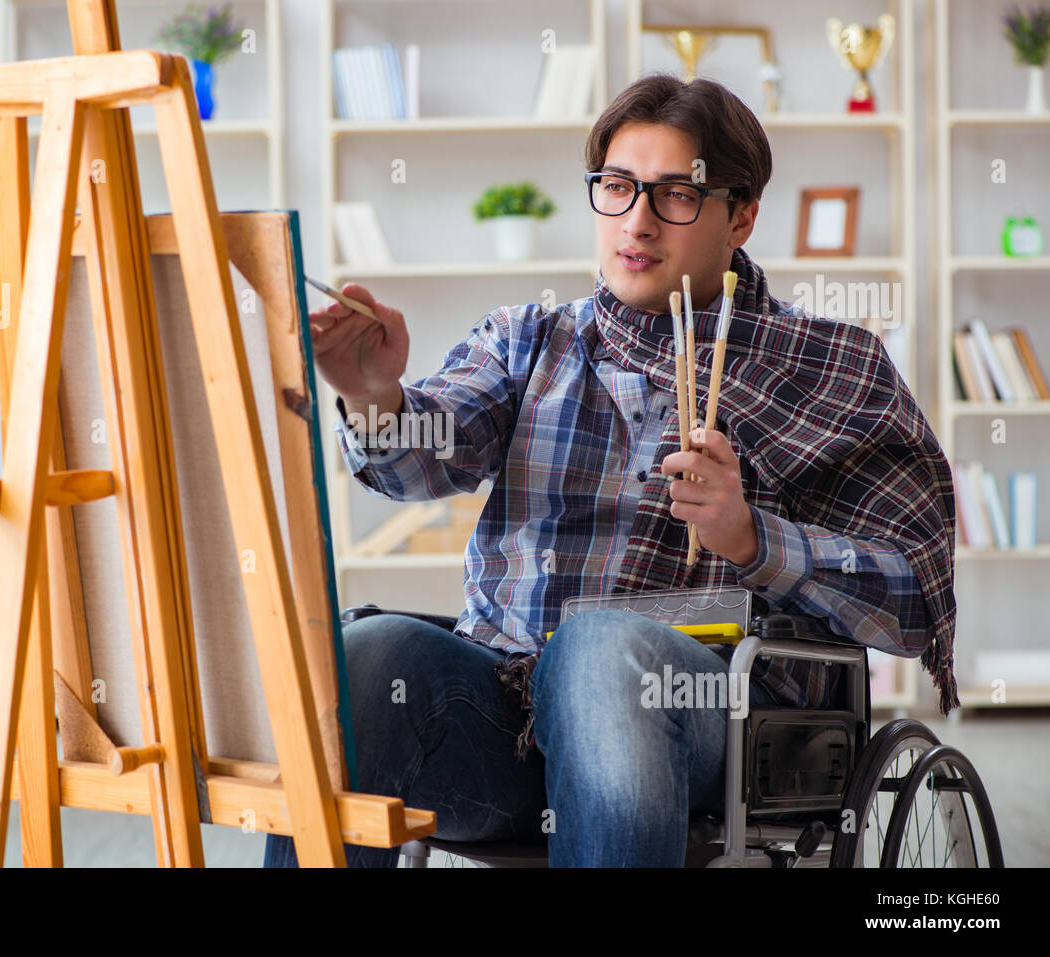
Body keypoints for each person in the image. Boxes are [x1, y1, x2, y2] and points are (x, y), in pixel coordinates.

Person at [264, 73, 957, 867]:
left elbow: (912, 592)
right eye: (619, 188)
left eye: (676, 196)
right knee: (364, 657)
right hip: (509, 714)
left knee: (600, 653)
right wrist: (375, 392)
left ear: (741, 216)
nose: (637, 222)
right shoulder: (530, 339)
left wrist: (751, 538)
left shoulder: (836, 366)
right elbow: (428, 453)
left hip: (722, 724)